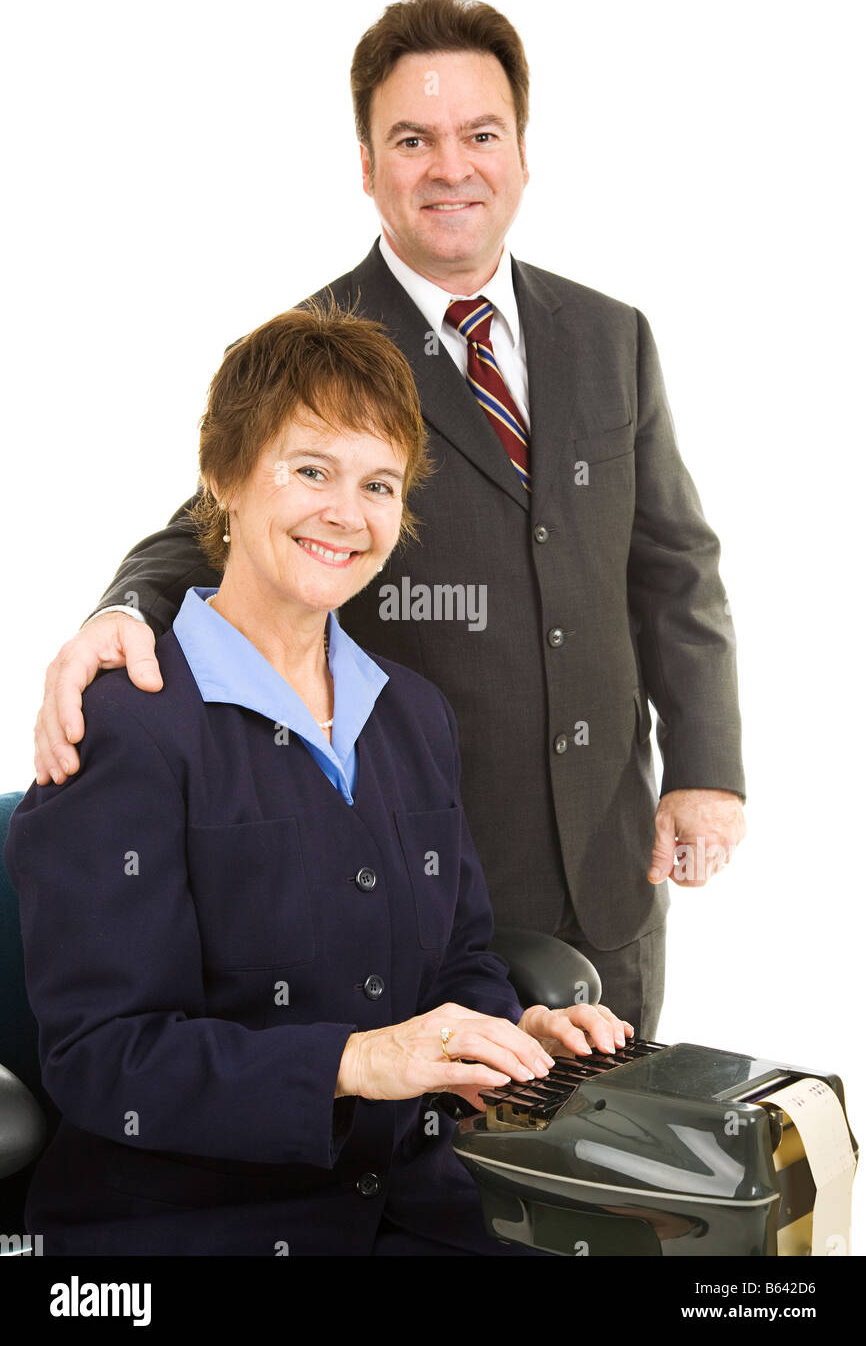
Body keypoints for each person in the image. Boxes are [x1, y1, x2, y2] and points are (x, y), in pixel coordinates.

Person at [32, 0, 746, 1040]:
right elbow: (212, 522)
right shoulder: (325, 346)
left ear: (520, 155)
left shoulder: (609, 335)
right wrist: (120, 613)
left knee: (605, 1176)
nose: (449, 167)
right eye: (411, 139)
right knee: (443, 1184)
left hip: (608, 860)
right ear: (366, 165)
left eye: (478, 135)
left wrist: (702, 771)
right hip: (421, 868)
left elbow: (674, 566)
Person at [6, 302, 632, 1257]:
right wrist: (355, 1062)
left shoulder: (412, 714)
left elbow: (461, 957)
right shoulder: (124, 725)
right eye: (310, 471)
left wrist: (516, 1034)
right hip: (202, 1224)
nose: (347, 513)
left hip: (420, 1200)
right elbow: (105, 1060)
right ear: (223, 479)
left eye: (379, 484)